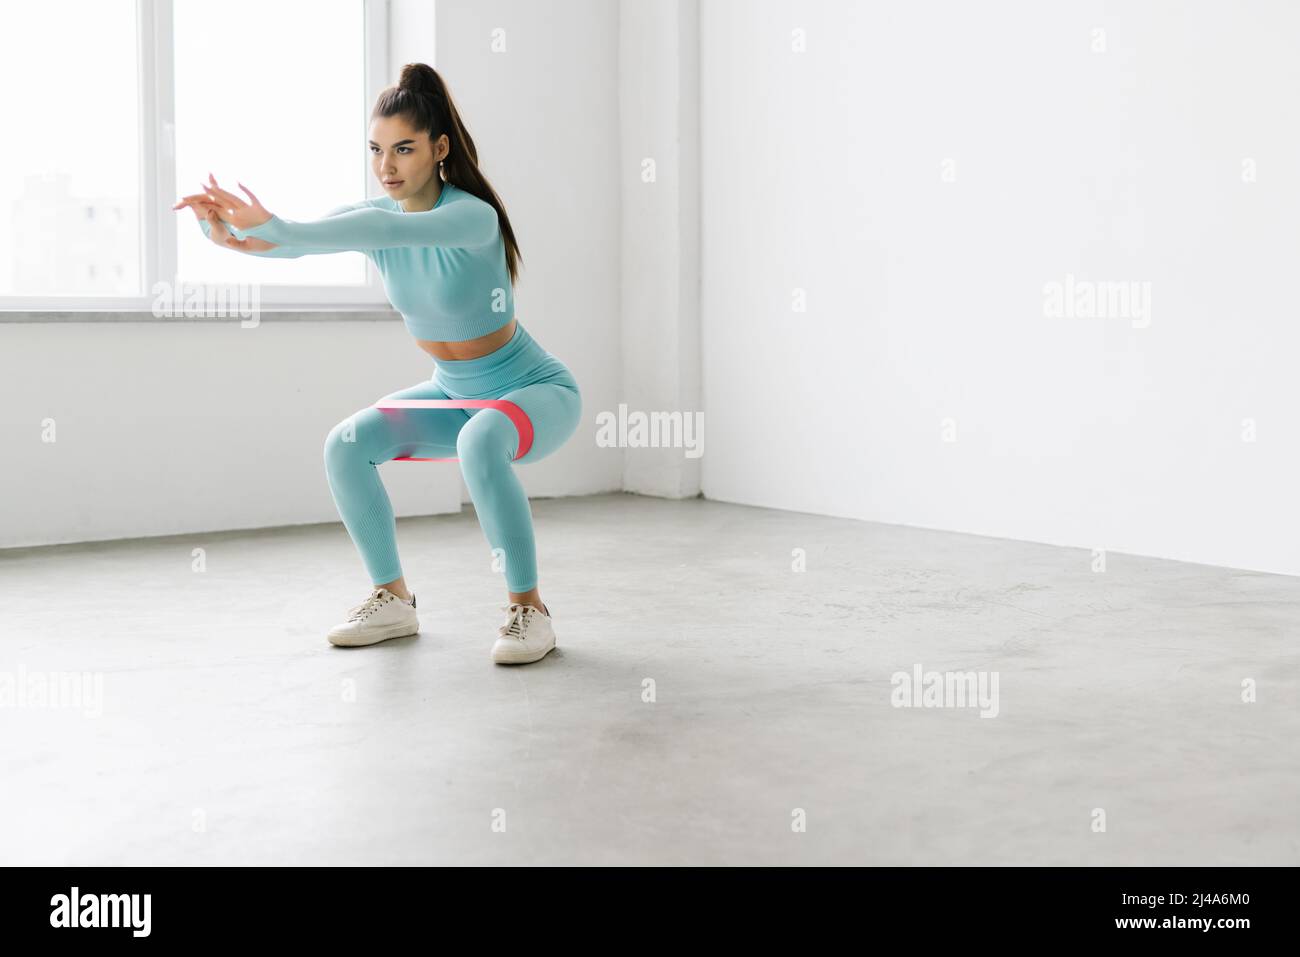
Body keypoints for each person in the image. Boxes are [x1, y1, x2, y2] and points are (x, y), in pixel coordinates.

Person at [174, 63, 580, 665]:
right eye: (376, 150)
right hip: (455, 393)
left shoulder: (473, 216)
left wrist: (278, 225)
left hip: (532, 392)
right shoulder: (378, 217)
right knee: (347, 442)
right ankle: (392, 599)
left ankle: (529, 609)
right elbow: (291, 242)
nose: (386, 166)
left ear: (439, 150)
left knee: (481, 439)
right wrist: (223, 234)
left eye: (403, 149)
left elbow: (348, 228)